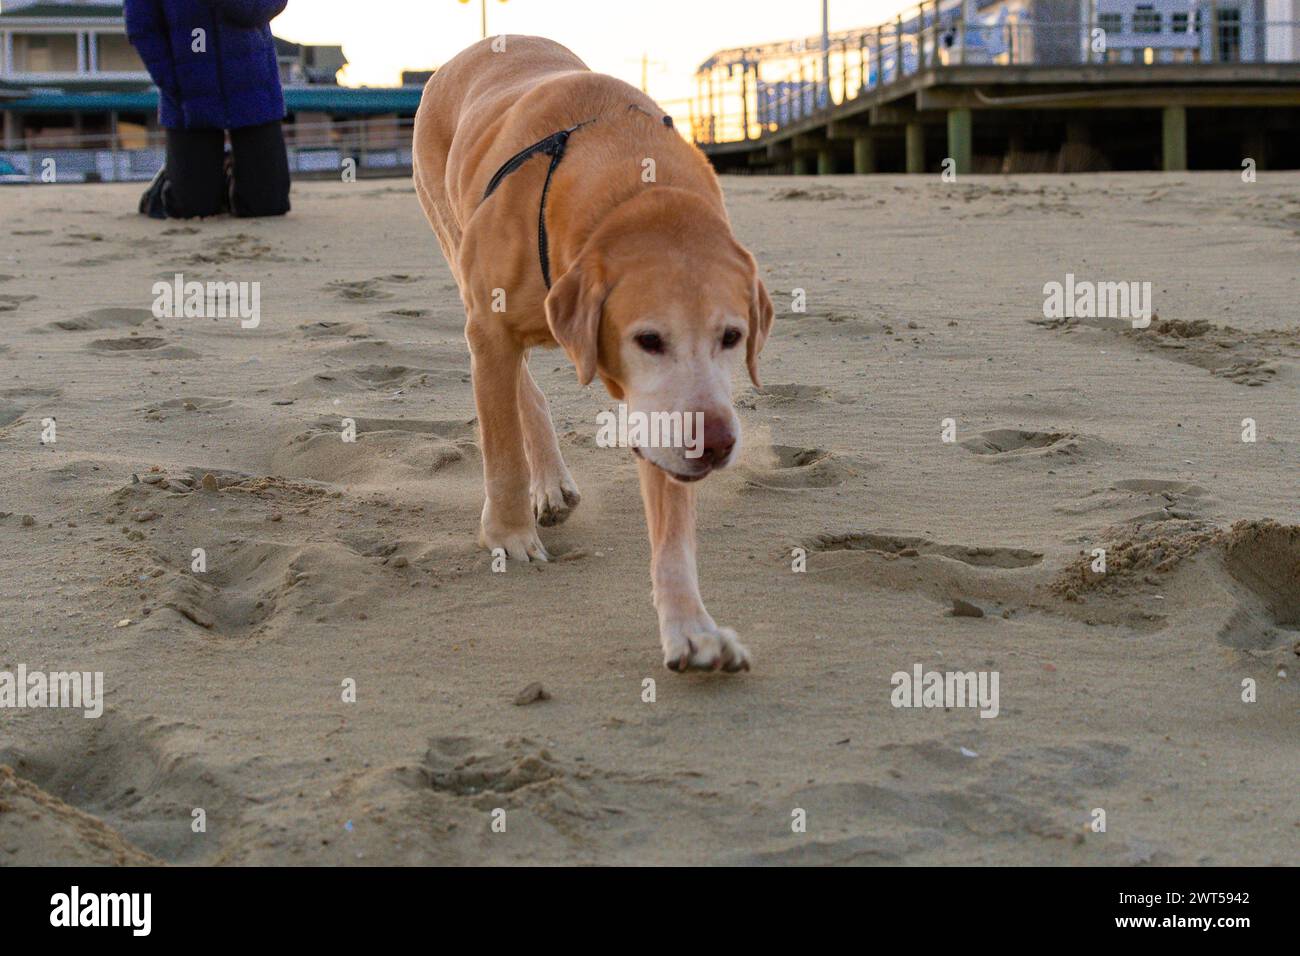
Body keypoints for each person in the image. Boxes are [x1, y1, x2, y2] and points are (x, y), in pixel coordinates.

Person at [125, 0, 291, 219]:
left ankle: (232, 170)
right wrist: (172, 81)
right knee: (191, 208)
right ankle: (172, 181)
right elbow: (141, 27)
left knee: (268, 206)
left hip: (253, 88)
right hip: (188, 98)